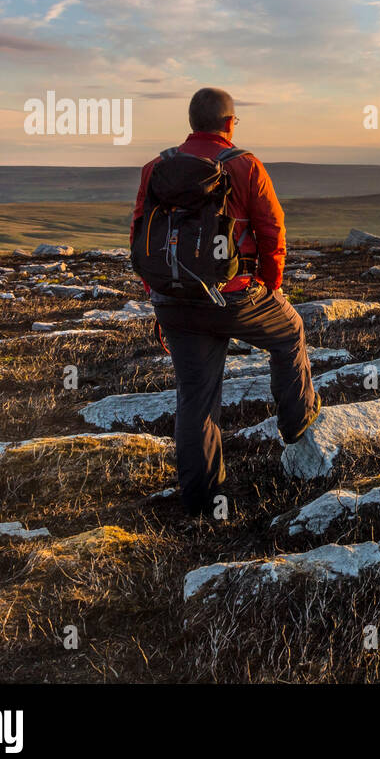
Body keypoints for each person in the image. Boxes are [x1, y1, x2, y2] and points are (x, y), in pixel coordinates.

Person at [130, 87, 319, 518]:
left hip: (176, 303)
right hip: (236, 296)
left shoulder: (155, 167)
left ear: (192, 123)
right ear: (230, 123)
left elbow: (140, 234)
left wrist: (158, 293)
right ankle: (297, 422)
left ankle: (203, 505)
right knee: (290, 331)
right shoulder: (244, 165)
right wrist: (270, 286)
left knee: (195, 398)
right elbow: (273, 231)